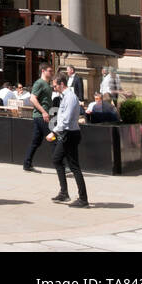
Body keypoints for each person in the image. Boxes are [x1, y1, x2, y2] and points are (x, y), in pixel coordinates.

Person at [49, 73, 89, 208]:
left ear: (61, 84)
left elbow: (65, 120)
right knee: (56, 159)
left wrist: (53, 132)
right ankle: (64, 192)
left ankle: (83, 199)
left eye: (55, 86)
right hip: (66, 133)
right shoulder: (64, 97)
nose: (54, 88)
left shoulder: (71, 97)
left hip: (70, 134)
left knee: (74, 167)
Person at [23, 64, 54, 172]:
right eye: (50, 71)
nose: (51, 73)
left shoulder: (46, 84)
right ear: (43, 71)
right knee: (53, 138)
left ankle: (27, 164)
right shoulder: (39, 83)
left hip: (41, 116)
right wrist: (44, 112)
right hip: (41, 117)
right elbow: (32, 98)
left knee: (36, 141)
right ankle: (63, 165)